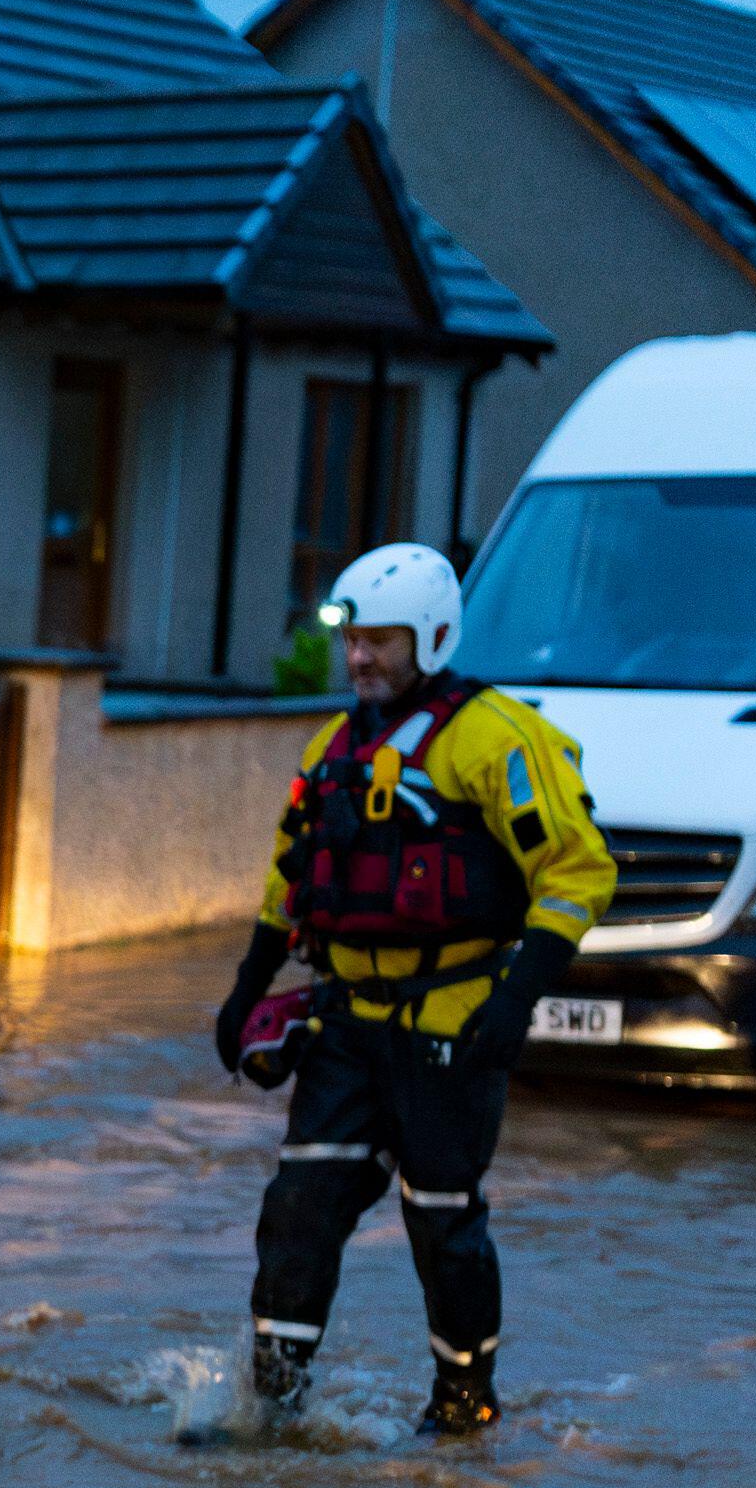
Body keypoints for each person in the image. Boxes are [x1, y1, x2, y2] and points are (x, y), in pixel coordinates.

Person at [210, 542, 614, 1435]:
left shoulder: (496, 737)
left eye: (381, 642)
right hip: (347, 1024)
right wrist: (248, 986)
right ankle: (271, 1408)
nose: (360, 658)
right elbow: (290, 877)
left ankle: (465, 1405)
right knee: (299, 1210)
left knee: (443, 1220)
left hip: (453, 1022)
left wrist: (516, 999)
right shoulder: (329, 747)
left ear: (432, 636)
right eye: (353, 639)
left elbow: (578, 872)